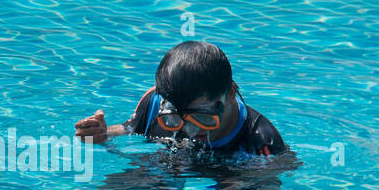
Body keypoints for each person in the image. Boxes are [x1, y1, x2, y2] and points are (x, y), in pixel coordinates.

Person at [74, 41, 288, 156]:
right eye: (173, 120)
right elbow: (131, 130)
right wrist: (101, 135)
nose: (191, 130)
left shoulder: (262, 141)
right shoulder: (157, 103)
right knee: (115, 189)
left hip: (231, 177)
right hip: (171, 167)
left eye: (203, 119)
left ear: (230, 93)